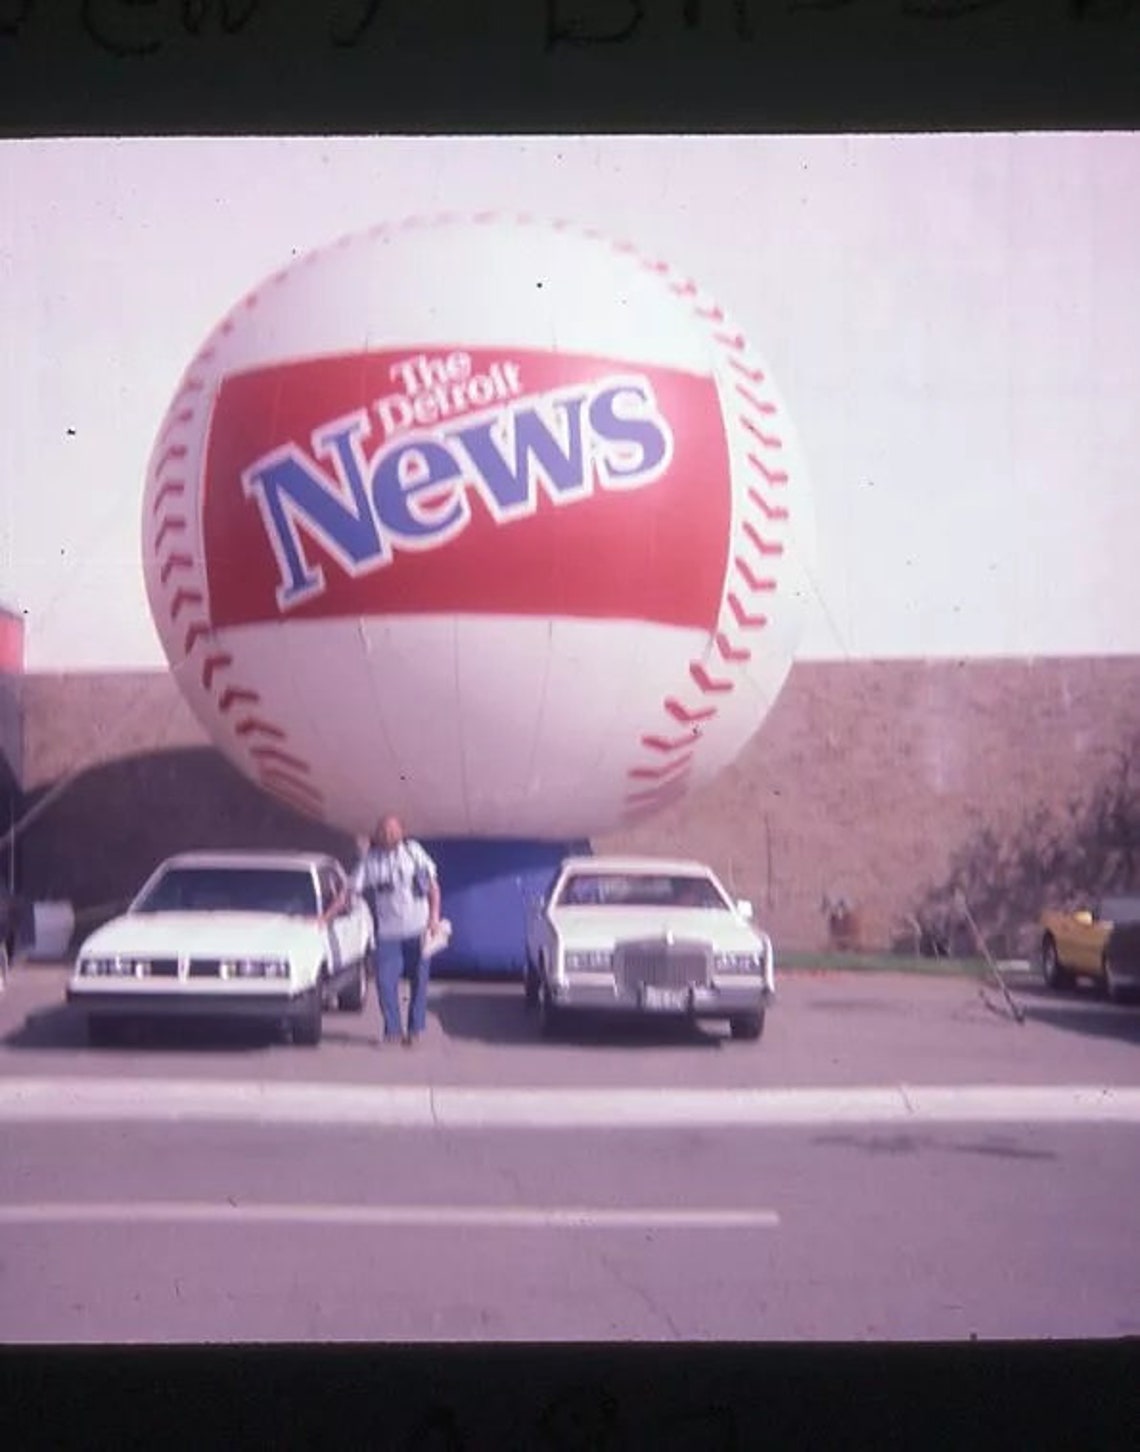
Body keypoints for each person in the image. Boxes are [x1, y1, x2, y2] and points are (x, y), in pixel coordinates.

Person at [350, 814, 441, 1048]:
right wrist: (326, 916)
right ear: (378, 834)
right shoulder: (371, 860)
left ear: (402, 832)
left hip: (418, 931)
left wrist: (434, 918)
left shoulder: (413, 852)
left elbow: (432, 888)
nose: (389, 835)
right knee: (384, 983)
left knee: (419, 982)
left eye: (393, 830)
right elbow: (351, 890)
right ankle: (392, 1031)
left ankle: (414, 1030)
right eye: (384, 831)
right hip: (389, 935)